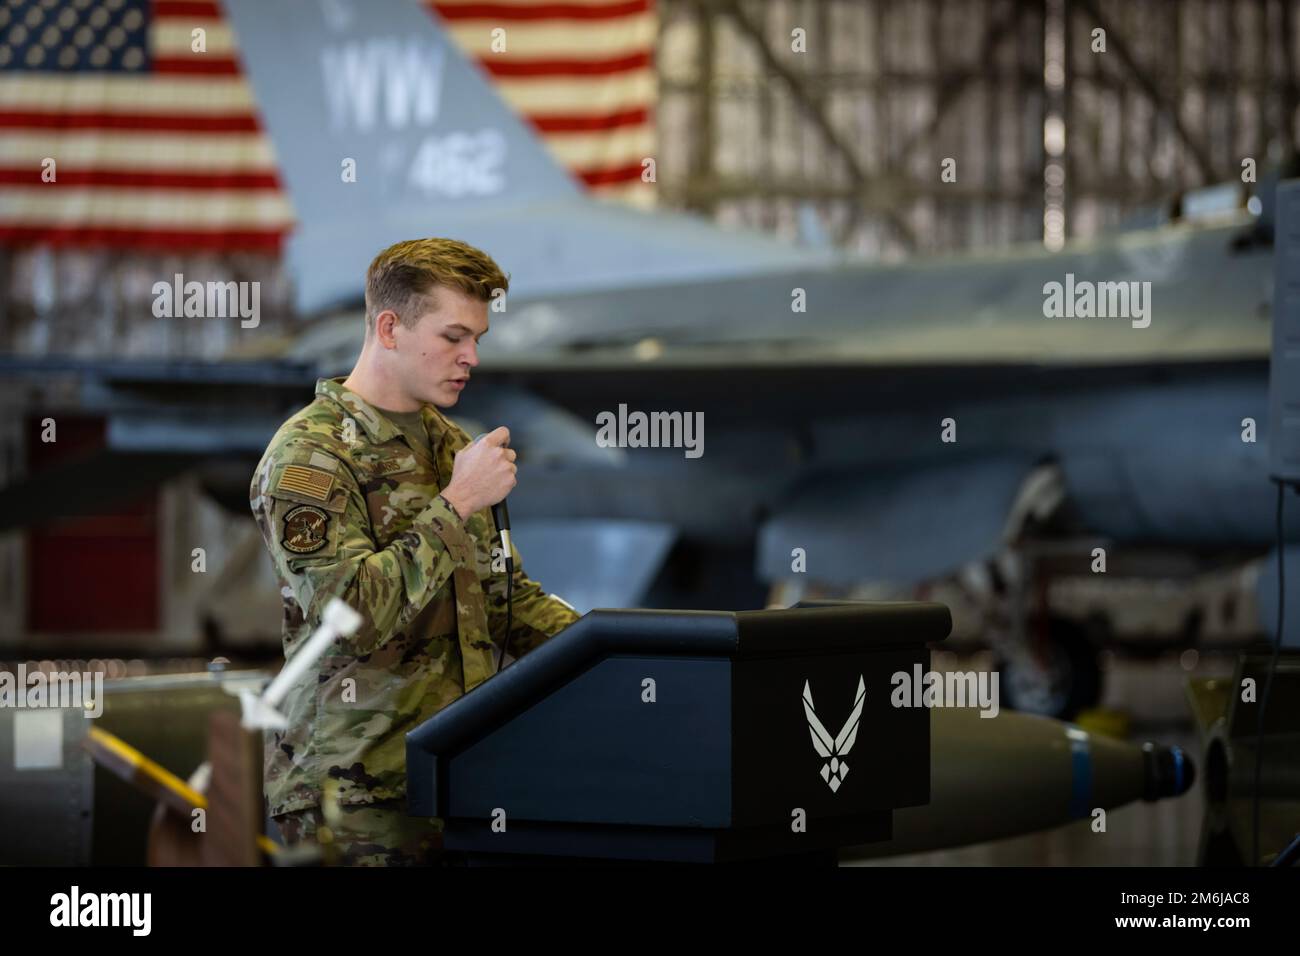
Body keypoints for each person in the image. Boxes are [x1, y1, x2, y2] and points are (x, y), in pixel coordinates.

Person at [249, 237, 579, 865]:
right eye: (454, 336)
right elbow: (348, 618)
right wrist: (455, 505)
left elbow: (505, 601)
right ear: (390, 327)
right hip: (355, 799)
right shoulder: (310, 456)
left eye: (477, 338)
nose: (471, 357)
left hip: (462, 783)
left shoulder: (449, 445)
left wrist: (622, 649)